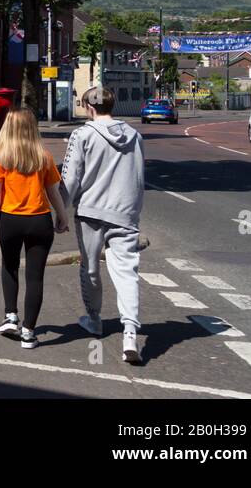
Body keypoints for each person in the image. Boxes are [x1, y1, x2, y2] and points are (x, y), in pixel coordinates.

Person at [61, 85, 146, 365]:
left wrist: (59, 211)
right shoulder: (134, 136)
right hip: (124, 213)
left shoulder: (82, 134)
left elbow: (70, 178)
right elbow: (138, 175)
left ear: (90, 107)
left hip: (90, 212)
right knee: (127, 273)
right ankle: (130, 334)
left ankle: (94, 319)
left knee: (91, 268)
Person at [0, 107, 69, 349]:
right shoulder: (43, 156)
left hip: (10, 220)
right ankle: (29, 333)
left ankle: (11, 316)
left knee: (9, 267)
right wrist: (62, 216)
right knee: (35, 277)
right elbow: (53, 192)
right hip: (39, 220)